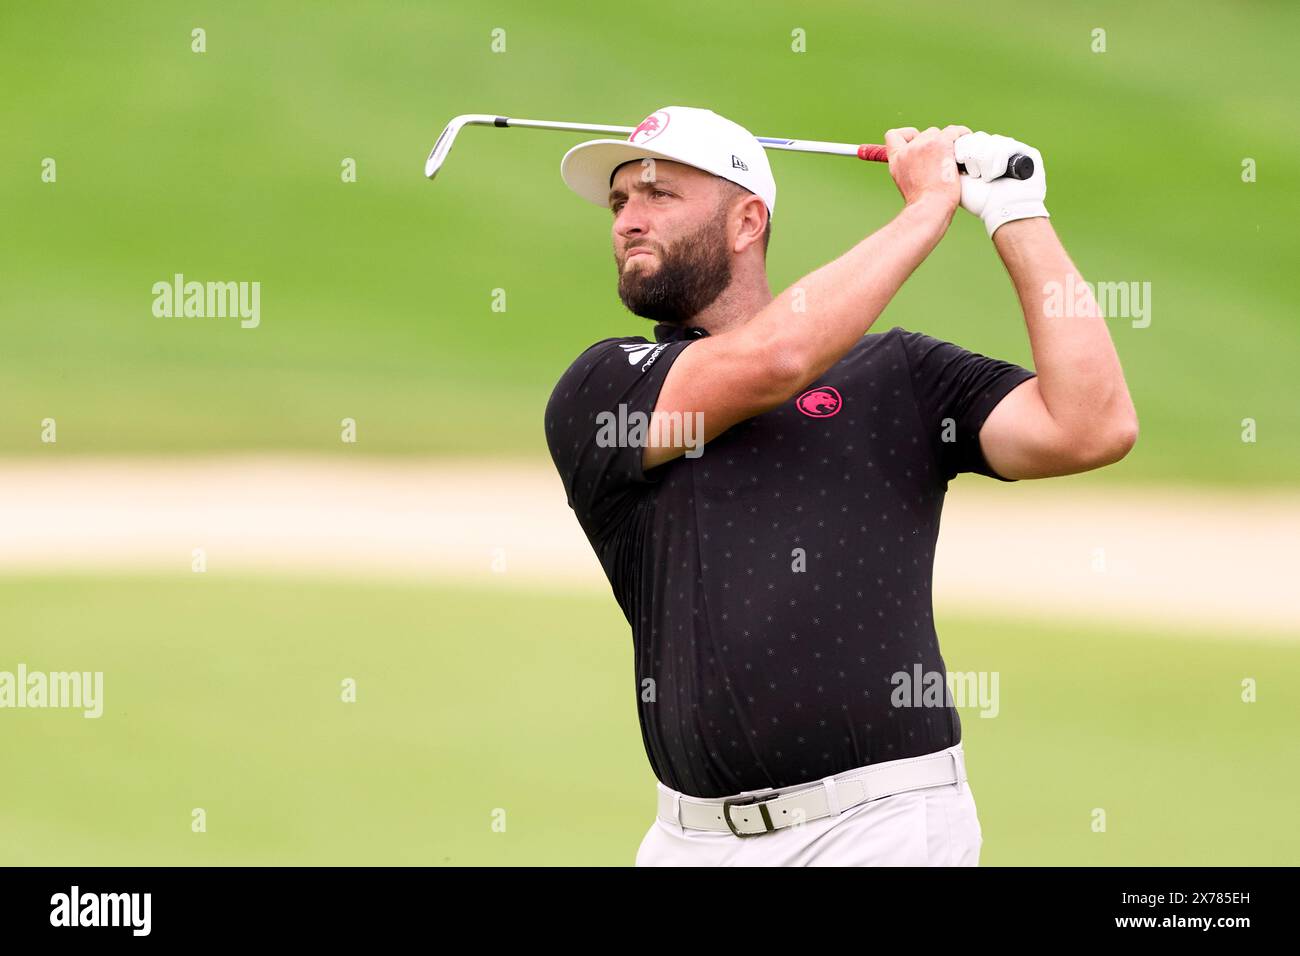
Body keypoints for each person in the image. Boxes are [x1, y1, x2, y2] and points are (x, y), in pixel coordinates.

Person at [544, 106, 1137, 865]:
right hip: (691, 842)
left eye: (659, 194)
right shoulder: (604, 389)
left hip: (883, 827)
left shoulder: (900, 375)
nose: (629, 220)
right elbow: (777, 360)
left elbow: (1091, 426)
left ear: (746, 221)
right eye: (619, 202)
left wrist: (1017, 212)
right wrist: (928, 207)